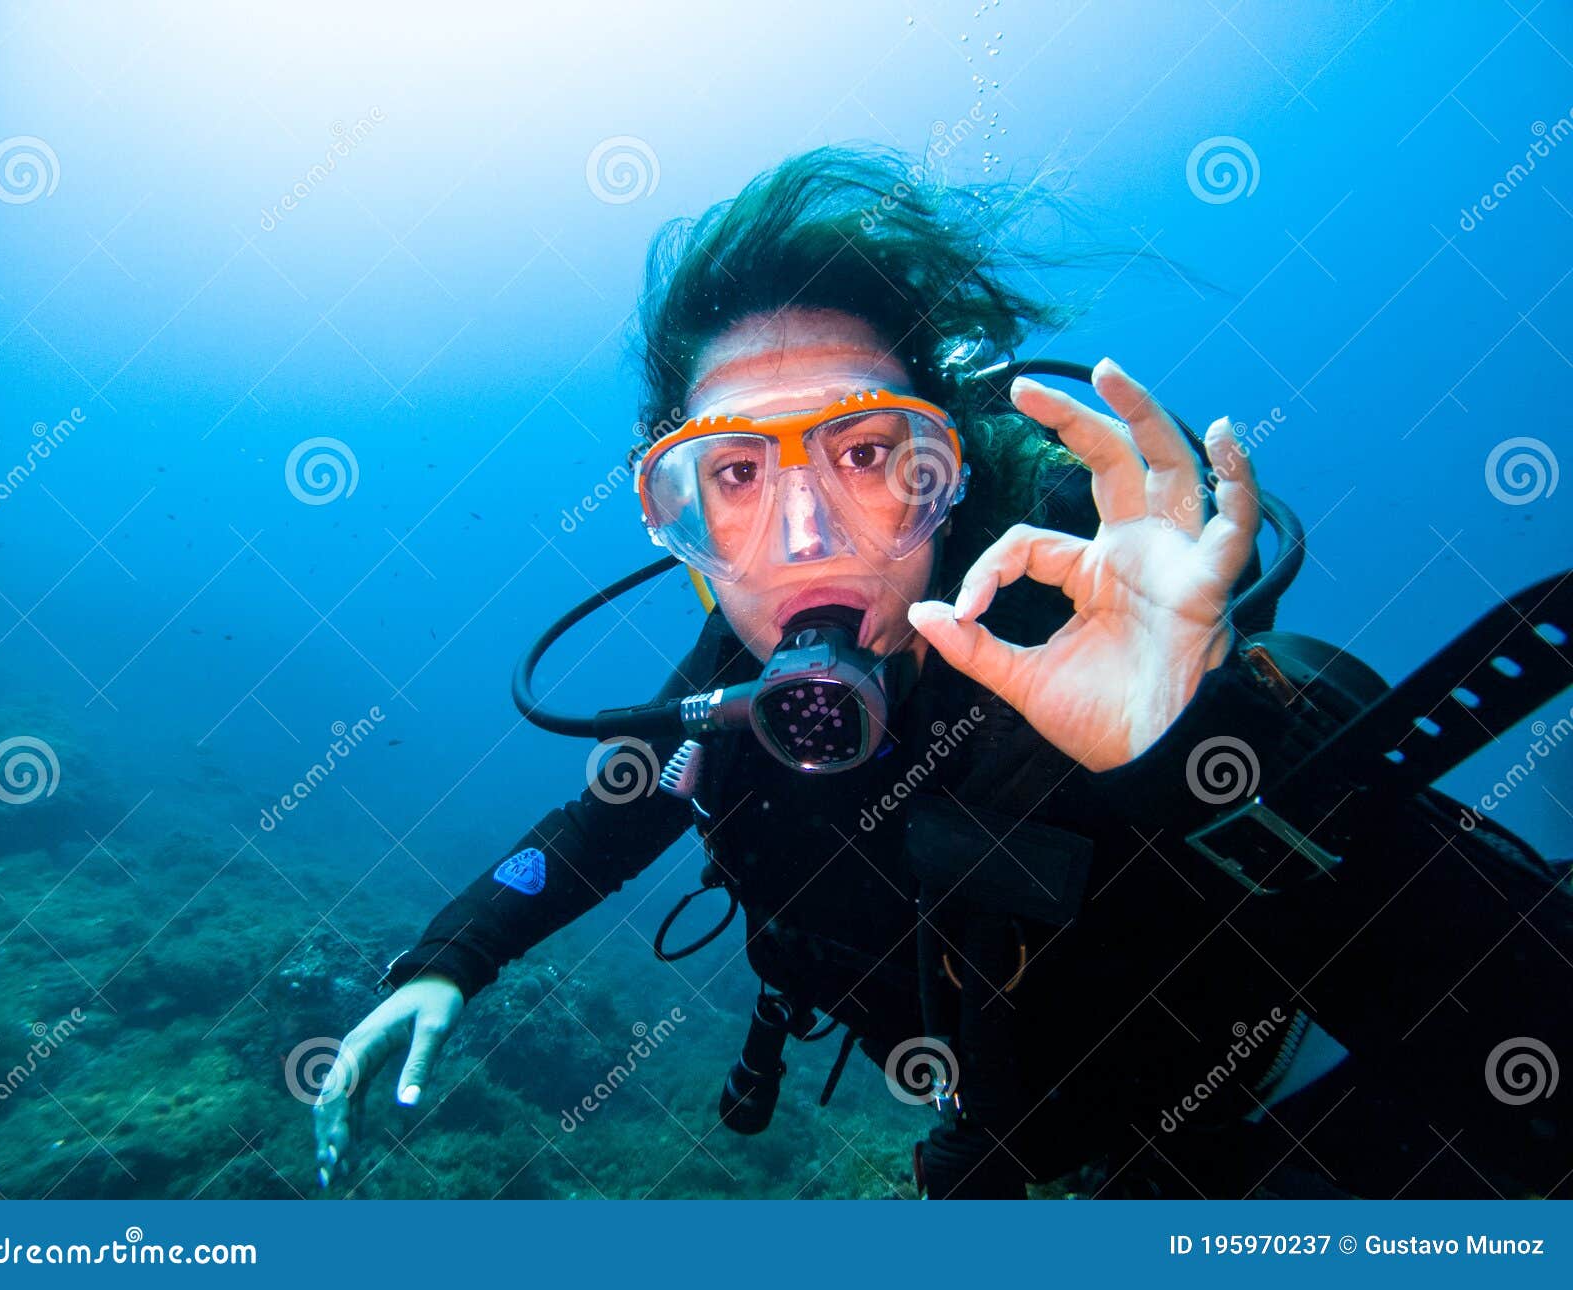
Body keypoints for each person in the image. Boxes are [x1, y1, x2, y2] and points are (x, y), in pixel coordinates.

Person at [311, 144, 1573, 1199]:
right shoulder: (729, 702)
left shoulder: (1084, 620)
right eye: (734, 479)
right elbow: (589, 831)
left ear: (950, 469)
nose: (805, 536)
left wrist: (1201, 737)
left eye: (867, 454)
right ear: (678, 525)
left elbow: (1507, 1004)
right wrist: (451, 955)